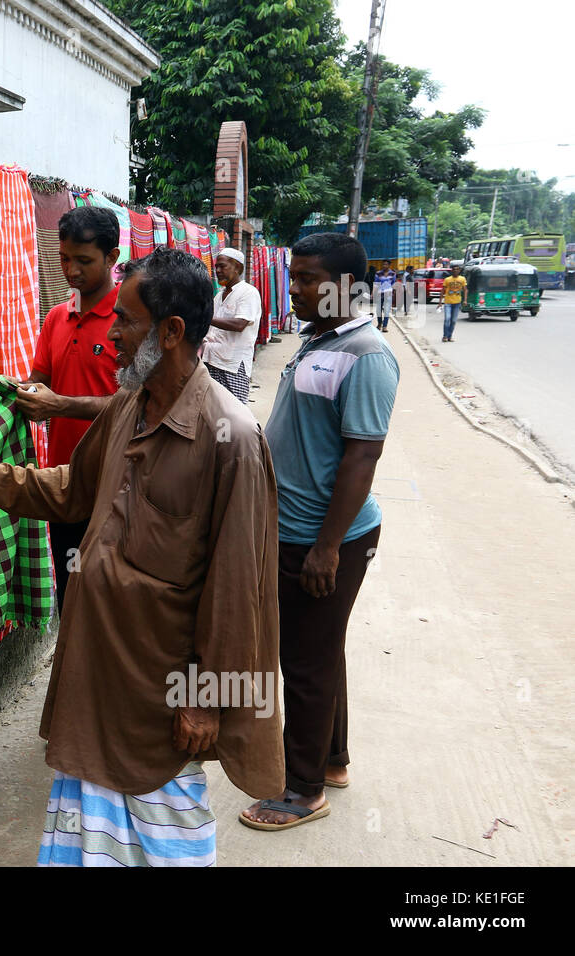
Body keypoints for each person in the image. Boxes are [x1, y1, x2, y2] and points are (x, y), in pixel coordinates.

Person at [0, 248, 284, 865]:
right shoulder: (129, 404)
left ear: (172, 332)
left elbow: (240, 588)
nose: (111, 336)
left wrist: (207, 695)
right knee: (88, 832)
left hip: (161, 689)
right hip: (98, 669)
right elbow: (75, 490)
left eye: (124, 322)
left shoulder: (232, 437)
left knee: (167, 837)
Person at [241, 231, 399, 832]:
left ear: (344, 287)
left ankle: (301, 790)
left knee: (303, 662)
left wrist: (326, 547)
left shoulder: (368, 356)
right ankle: (331, 760)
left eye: (307, 279)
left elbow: (362, 458)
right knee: (319, 649)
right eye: (295, 276)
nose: (296, 289)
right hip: (292, 529)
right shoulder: (317, 340)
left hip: (323, 537)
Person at [13, 205, 121, 614]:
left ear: (112, 258)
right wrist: (13, 389)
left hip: (115, 484)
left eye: (83, 260)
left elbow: (139, 405)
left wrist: (59, 405)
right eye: (64, 259)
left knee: (109, 598)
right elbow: (40, 381)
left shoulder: (128, 321)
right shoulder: (57, 318)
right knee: (71, 594)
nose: (71, 270)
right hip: (64, 482)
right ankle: (74, 675)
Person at [203, 247, 261, 404]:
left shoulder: (248, 293)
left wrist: (205, 317)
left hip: (232, 365)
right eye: (216, 267)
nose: (218, 270)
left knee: (233, 413)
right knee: (212, 409)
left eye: (223, 266)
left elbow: (240, 324)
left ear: (237, 268)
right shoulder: (219, 295)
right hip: (211, 360)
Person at [440, 264, 466, 342]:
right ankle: (445, 336)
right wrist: (440, 302)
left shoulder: (462, 279)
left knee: (453, 320)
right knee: (447, 319)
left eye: (457, 269)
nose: (455, 271)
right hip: (448, 302)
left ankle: (450, 336)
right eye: (454, 269)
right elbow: (443, 291)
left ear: (459, 271)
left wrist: (465, 300)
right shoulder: (447, 279)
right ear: (452, 270)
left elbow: (465, 290)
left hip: (457, 303)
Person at [373, 261, 397, 331]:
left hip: (388, 294)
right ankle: (379, 324)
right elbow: (376, 284)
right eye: (383, 264)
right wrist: (373, 293)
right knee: (378, 310)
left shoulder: (393, 274)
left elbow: (393, 283)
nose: (384, 266)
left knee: (387, 310)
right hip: (379, 293)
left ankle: (385, 326)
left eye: (386, 264)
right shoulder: (378, 273)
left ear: (389, 265)